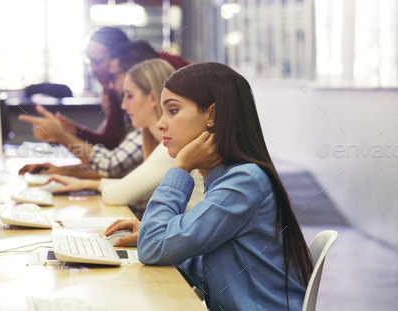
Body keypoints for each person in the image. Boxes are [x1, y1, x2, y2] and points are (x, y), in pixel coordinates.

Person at [108, 62, 314, 310]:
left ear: (212, 115)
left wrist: (180, 167)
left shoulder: (244, 182)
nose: (161, 123)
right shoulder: (226, 178)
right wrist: (158, 233)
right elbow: (212, 264)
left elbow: (153, 248)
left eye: (173, 111)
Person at [43, 59, 204, 219]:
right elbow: (125, 185)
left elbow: (115, 187)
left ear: (152, 98)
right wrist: (84, 184)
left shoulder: (172, 146)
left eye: (129, 96)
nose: (123, 106)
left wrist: (62, 136)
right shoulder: (147, 136)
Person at [21, 27, 190, 150]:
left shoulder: (164, 72)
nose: (93, 69)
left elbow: (112, 164)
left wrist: (63, 136)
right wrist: (71, 130)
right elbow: (112, 143)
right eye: (89, 62)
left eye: (97, 61)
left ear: (119, 58)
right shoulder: (116, 88)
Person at [18, 41, 161, 179]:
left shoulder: (151, 129)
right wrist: (63, 170)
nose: (110, 86)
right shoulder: (136, 121)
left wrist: (61, 136)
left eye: (129, 95)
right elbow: (118, 167)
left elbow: (111, 166)